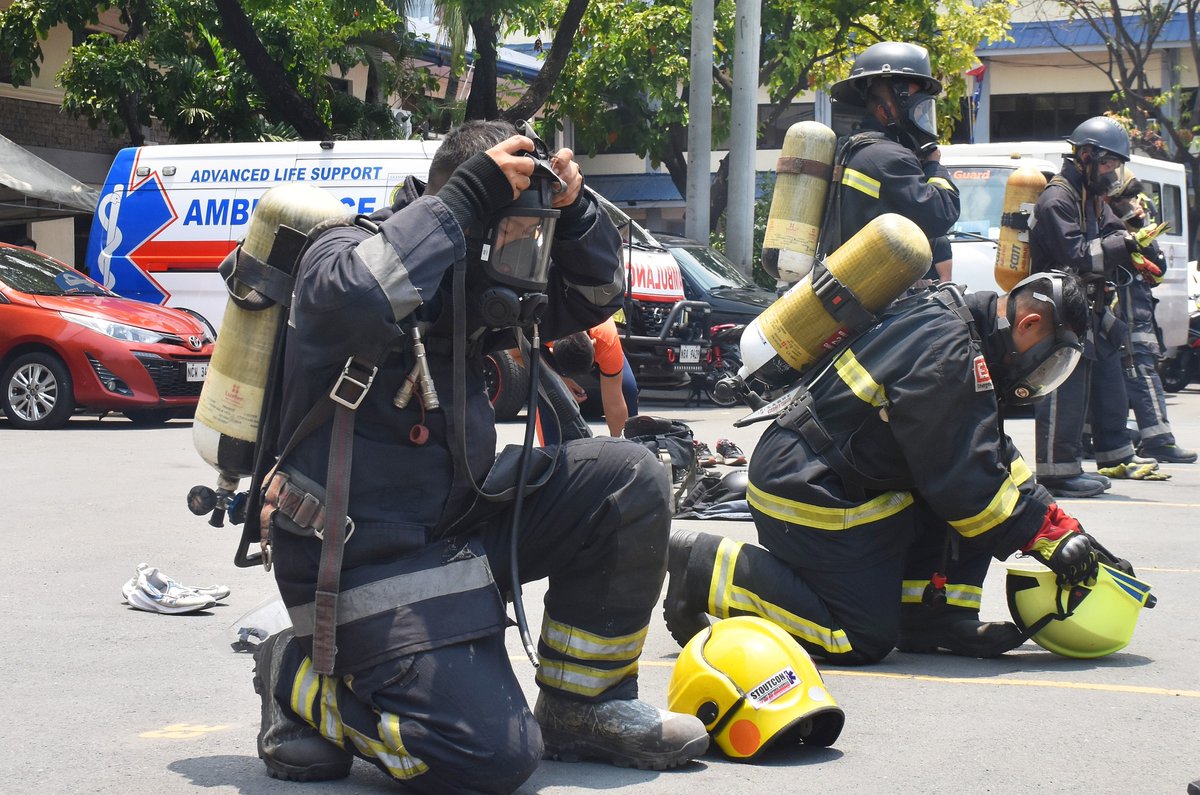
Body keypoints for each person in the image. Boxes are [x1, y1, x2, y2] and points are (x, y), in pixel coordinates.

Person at [253, 120, 707, 790]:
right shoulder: (343, 249)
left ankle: (585, 707)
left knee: (629, 475)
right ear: (466, 212)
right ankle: (295, 673)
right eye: (517, 237)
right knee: (491, 756)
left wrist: (575, 213)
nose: (527, 258)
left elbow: (592, 296)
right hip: (362, 557)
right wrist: (461, 204)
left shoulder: (483, 279)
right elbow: (346, 298)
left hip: (459, 513)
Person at [664, 271, 1101, 664]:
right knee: (857, 636)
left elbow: (989, 453)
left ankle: (931, 617)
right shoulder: (950, 352)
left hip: (833, 475)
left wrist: (1067, 530)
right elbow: (965, 484)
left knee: (976, 499)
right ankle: (705, 566)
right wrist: (1044, 540)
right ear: (1028, 325)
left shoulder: (961, 327)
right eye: (1051, 359)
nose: (1043, 374)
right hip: (811, 489)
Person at [1029, 116, 1164, 498]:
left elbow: (1111, 232)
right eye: (1108, 164)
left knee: (1110, 370)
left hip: (1088, 305)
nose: (1112, 172)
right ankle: (1057, 472)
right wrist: (1122, 244)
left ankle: (1114, 452)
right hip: (1058, 307)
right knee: (1064, 388)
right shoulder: (1058, 198)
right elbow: (1074, 254)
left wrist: (1132, 240)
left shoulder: (1089, 197)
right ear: (1086, 155)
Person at [821, 41, 961, 268]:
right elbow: (942, 215)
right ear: (883, 108)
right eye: (915, 105)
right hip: (880, 295)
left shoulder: (850, 150)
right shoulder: (889, 158)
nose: (921, 115)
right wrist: (934, 166)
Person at [1104, 172, 1197, 463]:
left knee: (1122, 374)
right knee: (1138, 371)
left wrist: (1139, 229)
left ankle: (1103, 436)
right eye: (1128, 198)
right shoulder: (1106, 224)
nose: (1136, 204)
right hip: (1124, 311)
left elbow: (1159, 265)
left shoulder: (1136, 223)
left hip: (1137, 308)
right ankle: (1158, 441)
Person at [542, 316, 638, 443]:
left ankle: (632, 447)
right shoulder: (537, 327)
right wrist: (559, 380)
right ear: (552, 350)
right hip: (546, 339)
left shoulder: (604, 336)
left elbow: (614, 401)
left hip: (597, 330)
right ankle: (552, 455)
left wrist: (621, 448)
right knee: (548, 395)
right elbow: (517, 355)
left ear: (593, 344)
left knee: (627, 389)